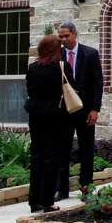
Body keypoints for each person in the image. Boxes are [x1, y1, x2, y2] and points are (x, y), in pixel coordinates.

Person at [24, 35, 74, 213]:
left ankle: (33, 200)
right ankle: (47, 201)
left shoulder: (32, 68)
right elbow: (71, 87)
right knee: (52, 158)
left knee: (37, 156)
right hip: (54, 117)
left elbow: (30, 91)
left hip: (36, 116)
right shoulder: (61, 68)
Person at [56, 21, 103, 197]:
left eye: (66, 36)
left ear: (75, 34)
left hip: (85, 110)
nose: (63, 39)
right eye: (60, 36)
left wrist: (95, 109)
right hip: (64, 112)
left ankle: (86, 187)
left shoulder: (90, 54)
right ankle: (62, 190)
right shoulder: (57, 55)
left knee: (86, 149)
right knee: (62, 149)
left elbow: (98, 83)